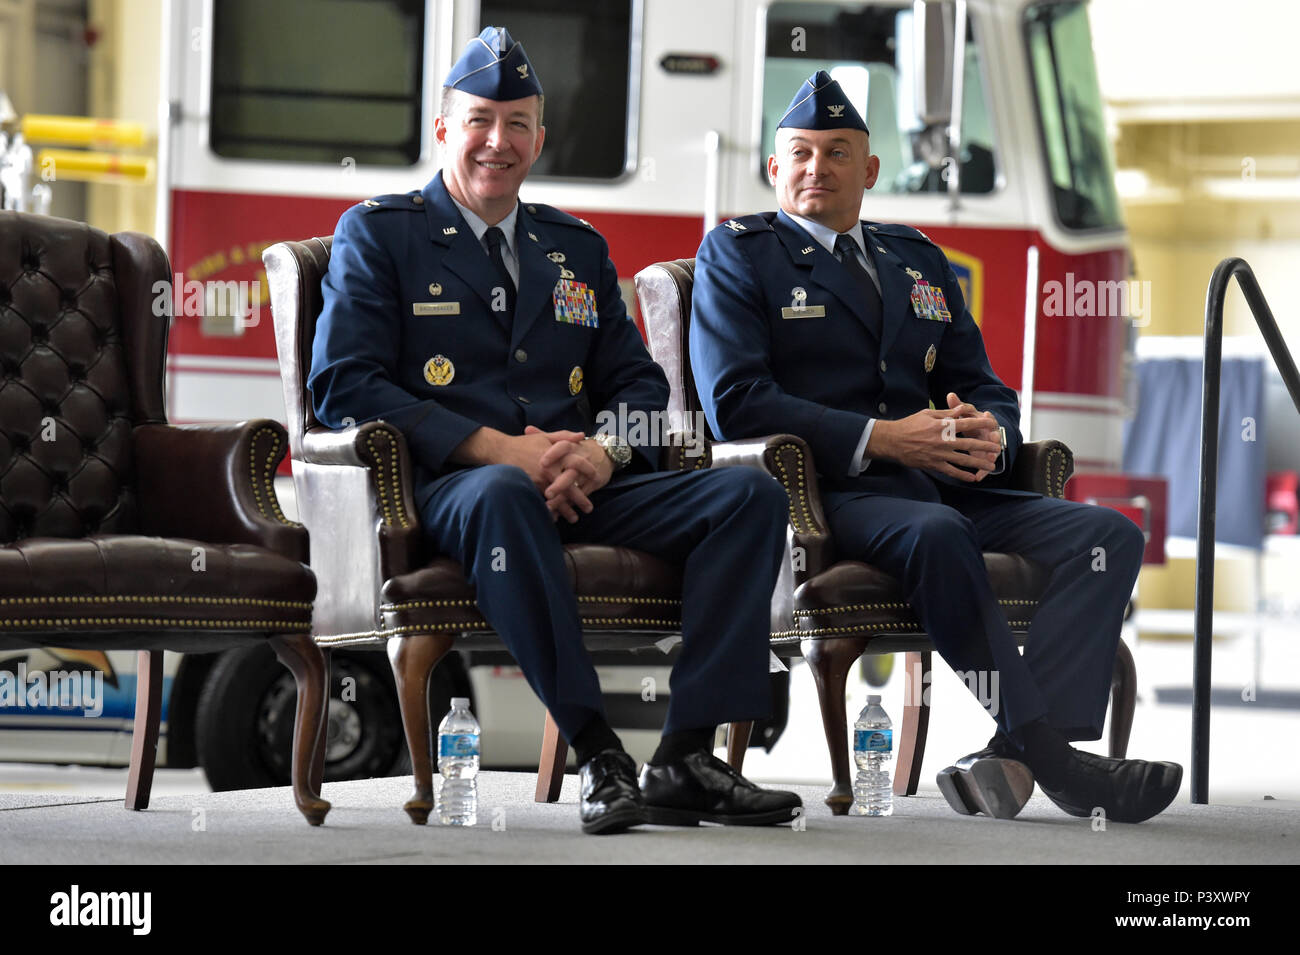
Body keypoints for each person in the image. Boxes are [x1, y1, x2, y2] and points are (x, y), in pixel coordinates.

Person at [309, 27, 800, 834]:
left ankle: (684, 756)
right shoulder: (381, 233)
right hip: (456, 491)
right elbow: (343, 385)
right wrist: (499, 449)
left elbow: (642, 386)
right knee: (505, 491)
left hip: (579, 485)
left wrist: (603, 455)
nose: (497, 142)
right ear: (444, 129)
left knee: (749, 496)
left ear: (540, 139)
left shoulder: (575, 248)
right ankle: (598, 749)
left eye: (517, 125)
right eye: (479, 121)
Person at [689, 71, 1181, 823]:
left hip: (944, 485)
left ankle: (1016, 751)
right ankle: (1056, 760)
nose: (817, 167)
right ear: (774, 168)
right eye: (801, 153)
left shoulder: (916, 258)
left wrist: (990, 435)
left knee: (1108, 535)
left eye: (837, 152)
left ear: (869, 170)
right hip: (829, 496)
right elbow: (736, 401)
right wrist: (887, 438)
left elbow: (981, 383)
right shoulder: (739, 254)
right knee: (938, 531)